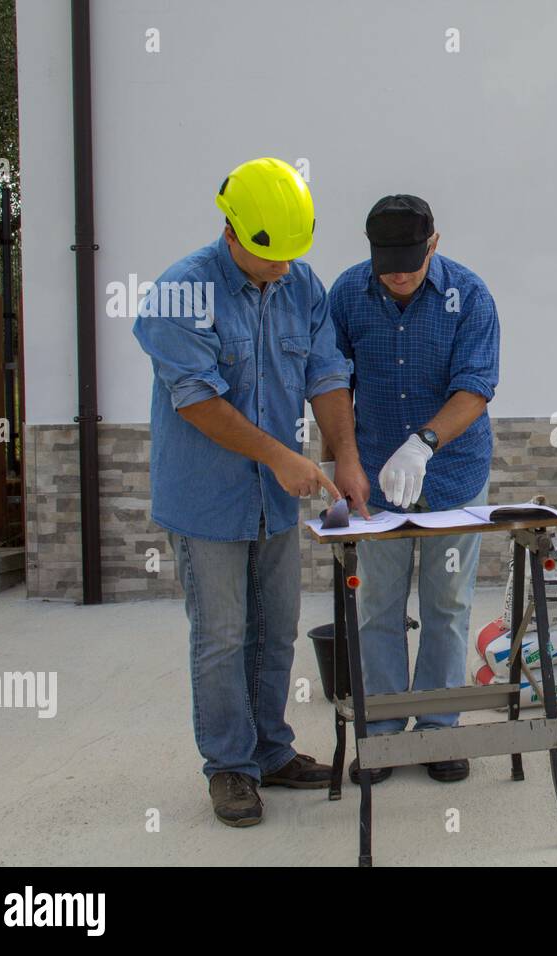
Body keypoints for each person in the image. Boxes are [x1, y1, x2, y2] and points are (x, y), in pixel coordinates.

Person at [133, 157, 372, 826]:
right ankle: (231, 769)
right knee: (221, 636)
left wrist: (345, 457)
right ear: (232, 231)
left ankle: (271, 751)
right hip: (206, 501)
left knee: (274, 634)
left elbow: (326, 373)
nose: (286, 269)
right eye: (274, 258)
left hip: (272, 504)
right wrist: (278, 456)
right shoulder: (180, 292)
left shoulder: (300, 283)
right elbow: (197, 400)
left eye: (297, 255)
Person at [329, 195, 500, 785]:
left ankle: (436, 731)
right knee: (376, 603)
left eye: (411, 260)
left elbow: (476, 386)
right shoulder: (349, 294)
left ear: (434, 242)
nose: (399, 275)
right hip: (374, 478)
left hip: (453, 473)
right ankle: (380, 733)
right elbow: (332, 384)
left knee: (446, 604)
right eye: (387, 263)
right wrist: (343, 465)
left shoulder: (469, 295)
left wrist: (424, 442)